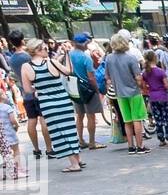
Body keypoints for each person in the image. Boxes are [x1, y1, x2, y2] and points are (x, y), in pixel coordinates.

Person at [21, 40, 84, 172]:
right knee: (70, 129)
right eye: (44, 48)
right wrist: (67, 56)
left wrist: (38, 89)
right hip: (64, 100)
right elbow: (68, 71)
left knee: (59, 132)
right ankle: (78, 159)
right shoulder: (52, 62)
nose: (47, 50)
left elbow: (27, 89)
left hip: (48, 104)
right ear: (37, 50)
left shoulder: (26, 67)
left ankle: (74, 164)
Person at [6, 32, 52, 158]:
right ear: (22, 40)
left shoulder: (12, 59)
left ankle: (36, 149)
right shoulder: (28, 57)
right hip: (37, 91)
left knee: (31, 120)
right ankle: (49, 149)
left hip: (25, 93)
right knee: (43, 120)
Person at [105, 32, 149, 152]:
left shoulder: (109, 58)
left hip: (119, 93)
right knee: (137, 119)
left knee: (127, 121)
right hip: (133, 92)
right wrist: (141, 86)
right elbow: (138, 77)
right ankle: (140, 146)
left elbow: (107, 77)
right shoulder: (131, 58)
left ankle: (130, 146)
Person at [69, 33, 106, 151]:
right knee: (91, 116)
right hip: (87, 89)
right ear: (83, 43)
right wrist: (96, 89)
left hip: (74, 87)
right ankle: (91, 141)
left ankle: (80, 140)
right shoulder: (86, 58)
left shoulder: (69, 55)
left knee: (79, 116)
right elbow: (91, 77)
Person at [141, 50, 168, 147]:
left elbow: (143, 86)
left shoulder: (145, 72)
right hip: (163, 97)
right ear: (155, 58)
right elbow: (167, 86)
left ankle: (161, 140)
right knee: (166, 119)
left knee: (158, 119)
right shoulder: (160, 72)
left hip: (153, 97)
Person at [0, 74, 22, 178]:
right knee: (15, 150)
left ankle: (4, 173)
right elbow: (13, 120)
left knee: (4, 154)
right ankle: (17, 169)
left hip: (1, 136)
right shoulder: (7, 107)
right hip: (9, 133)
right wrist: (16, 126)